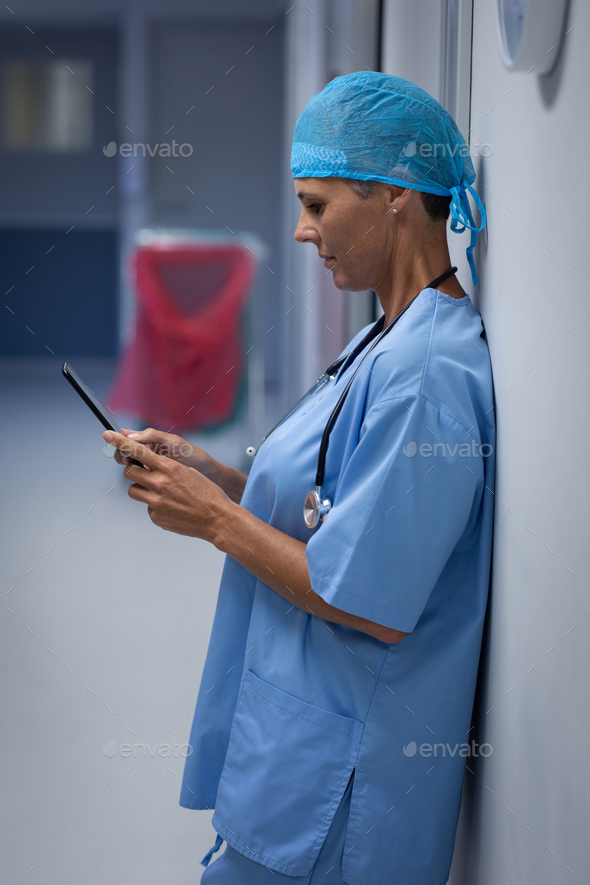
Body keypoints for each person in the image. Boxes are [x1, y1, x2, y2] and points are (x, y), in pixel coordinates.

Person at [104, 72, 495, 885]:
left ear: (390, 193)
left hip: (342, 791)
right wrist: (214, 476)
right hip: (298, 754)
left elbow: (366, 598)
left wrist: (215, 518)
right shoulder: (385, 338)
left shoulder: (427, 374)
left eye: (317, 205)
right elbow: (344, 519)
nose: (300, 230)